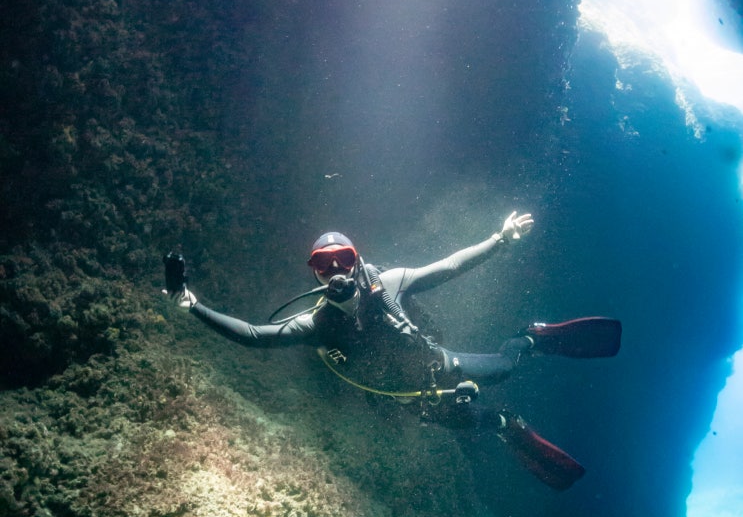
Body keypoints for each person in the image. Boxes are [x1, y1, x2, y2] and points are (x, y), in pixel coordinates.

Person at [164, 212, 621, 490]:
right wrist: (192, 305)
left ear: (358, 259)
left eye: (343, 258)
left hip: (441, 367)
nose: (337, 270)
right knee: (474, 422)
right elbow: (255, 336)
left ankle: (531, 340)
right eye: (325, 265)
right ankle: (507, 425)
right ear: (316, 275)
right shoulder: (317, 323)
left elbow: (450, 267)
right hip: (410, 402)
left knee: (505, 368)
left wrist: (499, 240)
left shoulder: (392, 283)